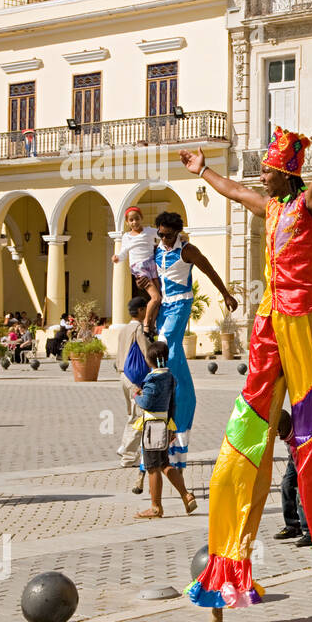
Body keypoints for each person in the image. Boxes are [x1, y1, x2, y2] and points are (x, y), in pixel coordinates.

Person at [181, 126, 312, 622]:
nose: (261, 175)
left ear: (286, 174)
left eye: (269, 170)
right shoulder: (271, 207)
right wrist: (204, 171)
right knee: (240, 449)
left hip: (300, 324)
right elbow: (236, 192)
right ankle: (226, 572)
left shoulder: (304, 207)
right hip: (268, 322)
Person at [144, 211, 237, 477]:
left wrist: (226, 294)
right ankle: (178, 402)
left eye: (168, 234)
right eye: (160, 234)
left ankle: (170, 397)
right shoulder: (157, 250)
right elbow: (152, 282)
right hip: (163, 306)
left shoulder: (188, 250)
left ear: (177, 232)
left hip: (181, 305)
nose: (163, 238)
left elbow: (210, 271)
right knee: (170, 361)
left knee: (166, 347)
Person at [132, 341, 198, 519]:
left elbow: (147, 404)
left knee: (152, 467)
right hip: (164, 424)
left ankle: (155, 507)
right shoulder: (170, 378)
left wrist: (137, 397)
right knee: (164, 464)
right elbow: (172, 405)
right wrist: (172, 427)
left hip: (152, 428)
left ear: (150, 360)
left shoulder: (152, 379)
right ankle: (186, 495)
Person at [116, 296, 149, 490]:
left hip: (122, 375)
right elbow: (145, 352)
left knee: (132, 414)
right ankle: (128, 454)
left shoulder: (122, 329)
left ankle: (127, 450)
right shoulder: (137, 329)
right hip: (134, 377)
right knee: (138, 416)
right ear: (141, 310)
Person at [113, 207, 163, 335]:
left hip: (151, 264)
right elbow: (123, 252)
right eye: (131, 220)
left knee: (160, 299)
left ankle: (152, 326)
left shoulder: (148, 231)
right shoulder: (127, 237)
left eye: (137, 218)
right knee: (155, 297)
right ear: (127, 222)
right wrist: (117, 257)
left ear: (141, 218)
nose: (134, 222)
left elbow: (163, 234)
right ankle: (146, 322)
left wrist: (179, 237)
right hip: (139, 267)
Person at [273, 410, 309, 544]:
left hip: (303, 461)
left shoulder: (297, 436)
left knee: (301, 494)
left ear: (282, 427)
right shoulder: (285, 433)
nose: (276, 435)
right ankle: (292, 526)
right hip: (293, 459)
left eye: (277, 431)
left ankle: (308, 531)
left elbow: (302, 462)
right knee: (286, 485)